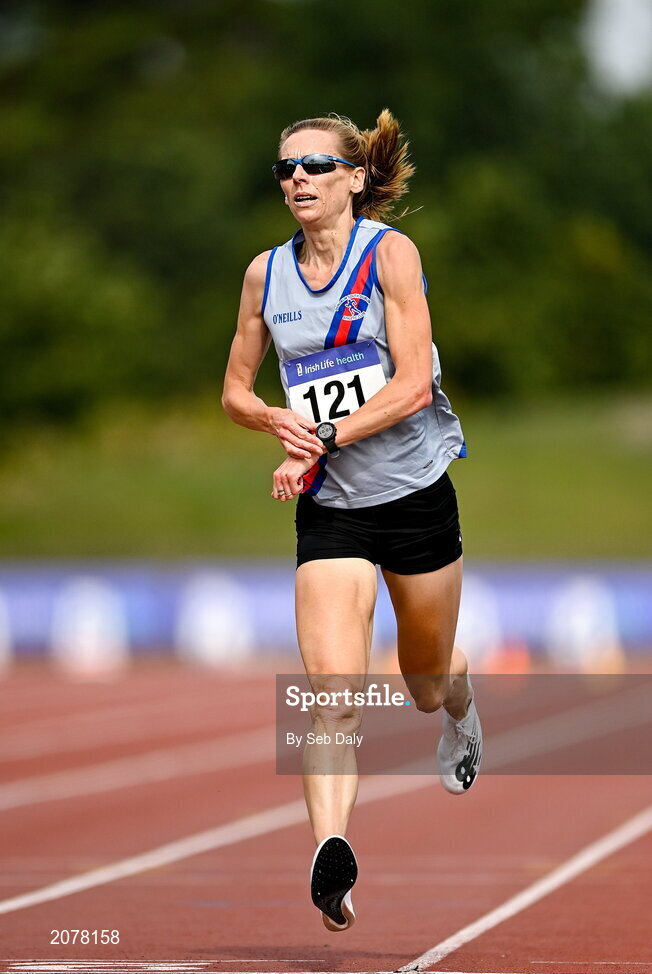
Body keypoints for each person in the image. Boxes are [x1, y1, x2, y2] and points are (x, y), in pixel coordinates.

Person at [222, 109, 482, 933]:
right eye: (283, 169)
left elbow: (409, 386)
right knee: (331, 691)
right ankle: (331, 850)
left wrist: (323, 433)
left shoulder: (390, 256)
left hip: (412, 497)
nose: (295, 178)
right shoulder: (266, 274)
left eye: (312, 166)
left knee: (422, 678)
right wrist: (276, 424)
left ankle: (460, 708)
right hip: (330, 508)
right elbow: (234, 390)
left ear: (354, 178)